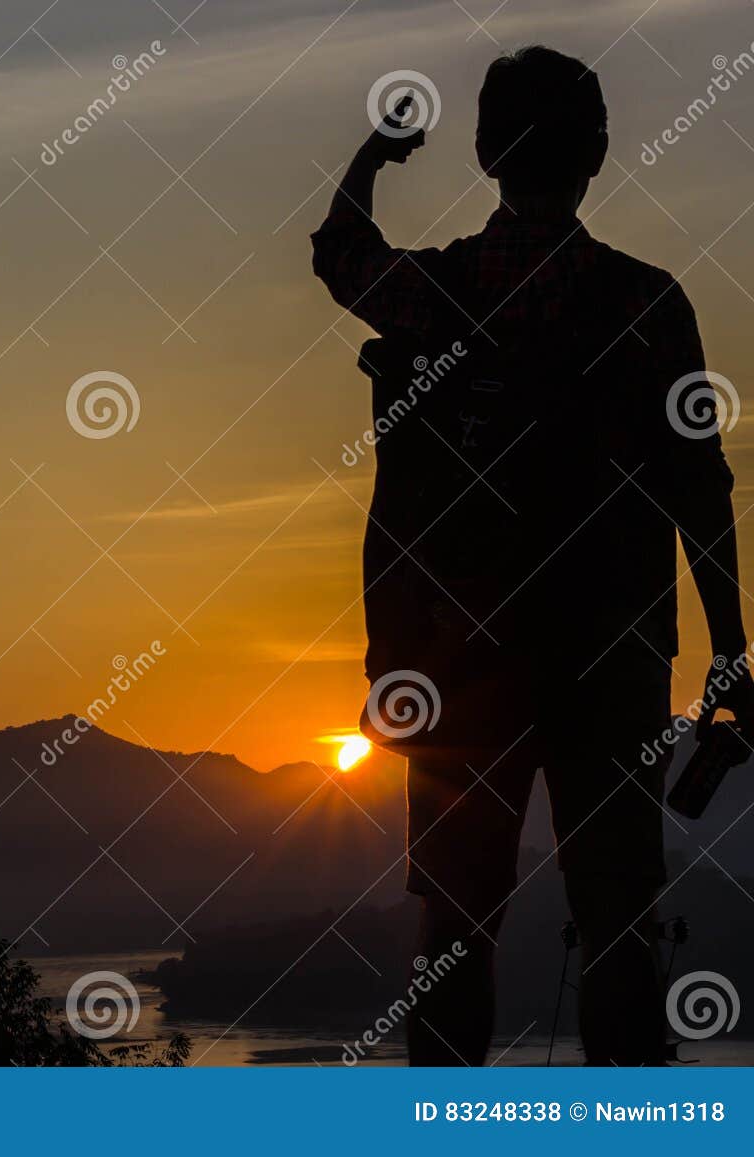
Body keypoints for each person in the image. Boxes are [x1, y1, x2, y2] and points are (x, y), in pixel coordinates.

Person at [312, 46, 752, 1065]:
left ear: (483, 154)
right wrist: (729, 648)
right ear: (596, 157)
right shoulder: (649, 307)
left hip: (463, 658)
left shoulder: (439, 295)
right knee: (619, 920)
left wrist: (371, 158)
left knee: (456, 923)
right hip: (614, 655)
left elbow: (342, 254)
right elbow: (700, 488)